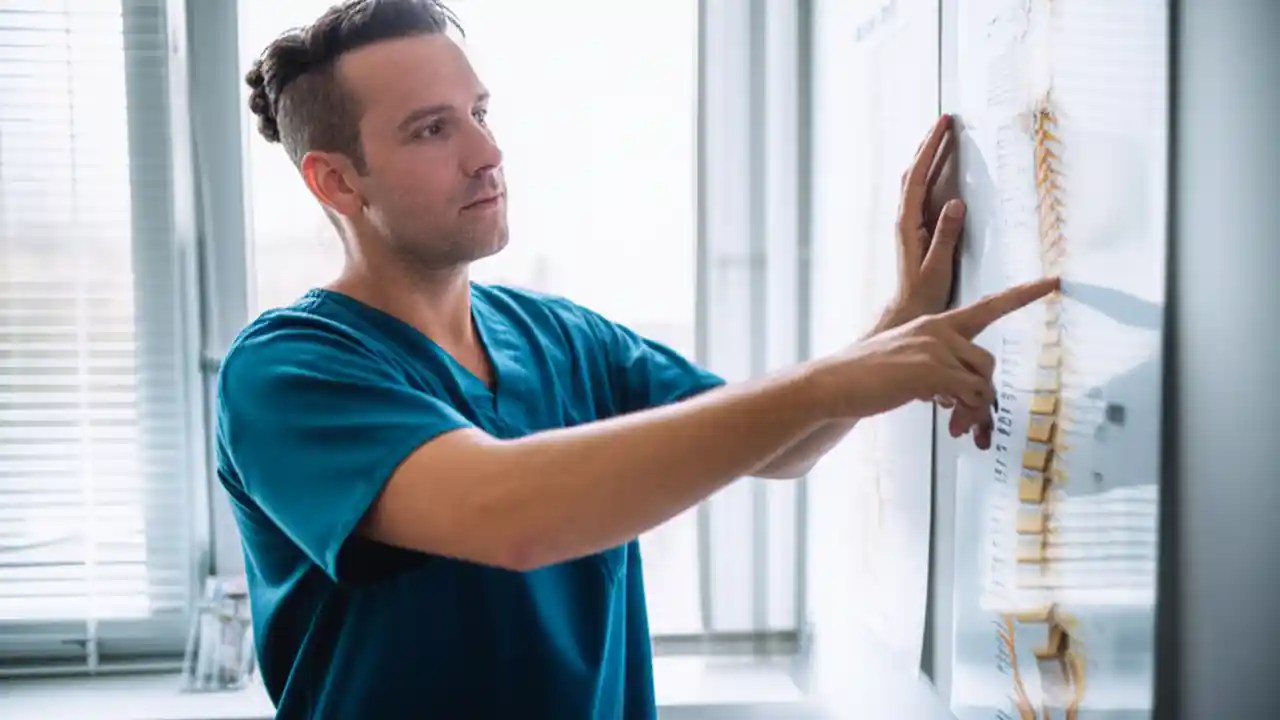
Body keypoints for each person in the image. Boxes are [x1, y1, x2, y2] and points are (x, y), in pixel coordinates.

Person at [218, 1, 1057, 717]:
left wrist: (898, 326)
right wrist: (841, 378)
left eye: (480, 111)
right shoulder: (290, 371)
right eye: (432, 130)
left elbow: (783, 445)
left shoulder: (563, 336)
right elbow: (511, 517)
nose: (487, 154)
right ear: (335, 183)